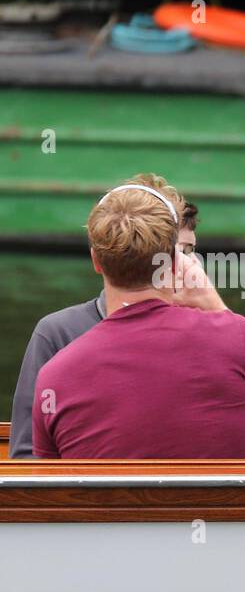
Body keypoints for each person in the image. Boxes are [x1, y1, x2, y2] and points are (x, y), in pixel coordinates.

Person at [31, 180, 245, 459]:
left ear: (96, 261)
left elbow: (40, 489)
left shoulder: (55, 375)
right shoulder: (237, 337)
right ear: (175, 261)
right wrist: (217, 310)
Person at [9, 173, 205, 458]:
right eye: (180, 252)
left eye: (192, 251)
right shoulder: (57, 333)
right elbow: (27, 455)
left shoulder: (209, 332)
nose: (190, 264)